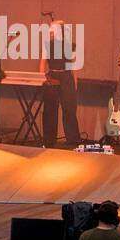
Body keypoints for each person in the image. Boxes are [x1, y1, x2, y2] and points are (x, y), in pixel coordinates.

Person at [39, 19, 80, 148]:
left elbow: (74, 66)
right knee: (50, 109)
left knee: (69, 109)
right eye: (50, 27)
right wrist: (42, 79)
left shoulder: (70, 45)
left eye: (53, 27)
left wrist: (74, 83)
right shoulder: (47, 45)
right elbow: (42, 63)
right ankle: (49, 141)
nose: (50, 30)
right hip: (52, 76)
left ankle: (73, 141)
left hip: (67, 77)